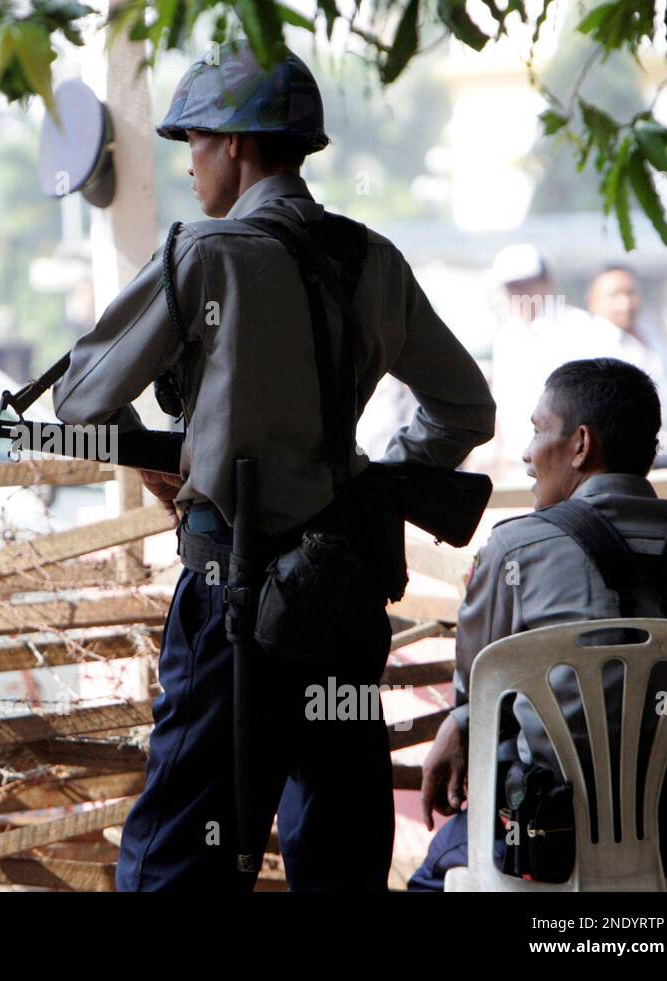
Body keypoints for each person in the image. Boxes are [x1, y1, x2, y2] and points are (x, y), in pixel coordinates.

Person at [52, 40, 496, 891]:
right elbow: (465, 409)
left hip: (233, 609)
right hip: (342, 600)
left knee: (178, 854)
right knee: (339, 850)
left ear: (238, 145)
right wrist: (378, 479)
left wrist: (160, 467)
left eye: (195, 143)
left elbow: (80, 402)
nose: (189, 167)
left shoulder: (206, 253)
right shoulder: (373, 259)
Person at [413, 358, 667, 890]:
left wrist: (456, 723)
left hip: (547, 844)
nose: (527, 454)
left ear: (580, 444)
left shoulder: (515, 549)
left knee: (434, 871)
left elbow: (478, 697)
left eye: (536, 431)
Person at [486, 244, 615, 476]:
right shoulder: (506, 338)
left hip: (569, 465)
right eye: (512, 287)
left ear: (547, 283)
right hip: (517, 466)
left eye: (526, 284)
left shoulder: (580, 327)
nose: (519, 293)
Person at [585, 264, 667, 465]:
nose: (625, 303)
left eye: (630, 293)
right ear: (593, 301)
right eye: (614, 295)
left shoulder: (653, 338)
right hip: (626, 467)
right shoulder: (590, 347)